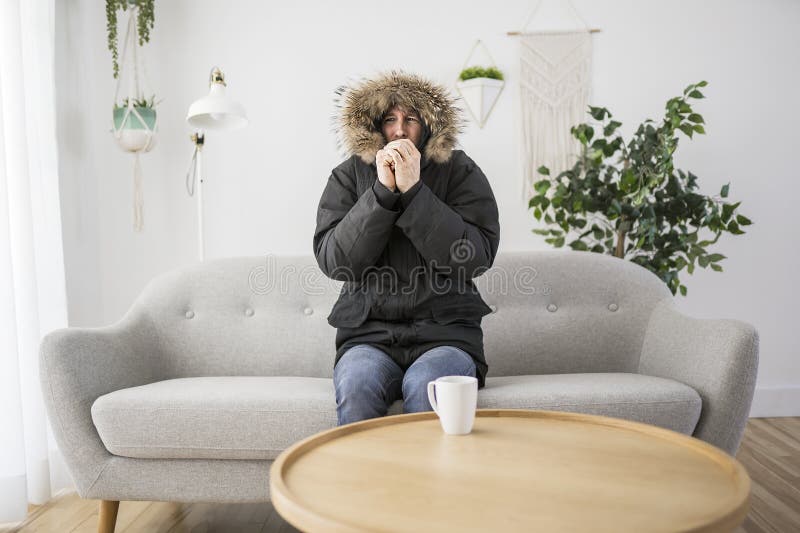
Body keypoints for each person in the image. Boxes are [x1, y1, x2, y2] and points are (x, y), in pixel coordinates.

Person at [313, 71, 500, 425]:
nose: (399, 130)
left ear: (428, 126)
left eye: (410, 119)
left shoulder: (459, 171)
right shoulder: (348, 176)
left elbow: (475, 257)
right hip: (368, 338)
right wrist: (381, 194)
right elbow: (337, 263)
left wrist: (415, 192)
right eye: (390, 119)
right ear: (374, 126)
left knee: (425, 384)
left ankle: (426, 482)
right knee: (357, 384)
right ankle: (364, 483)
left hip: (447, 337)